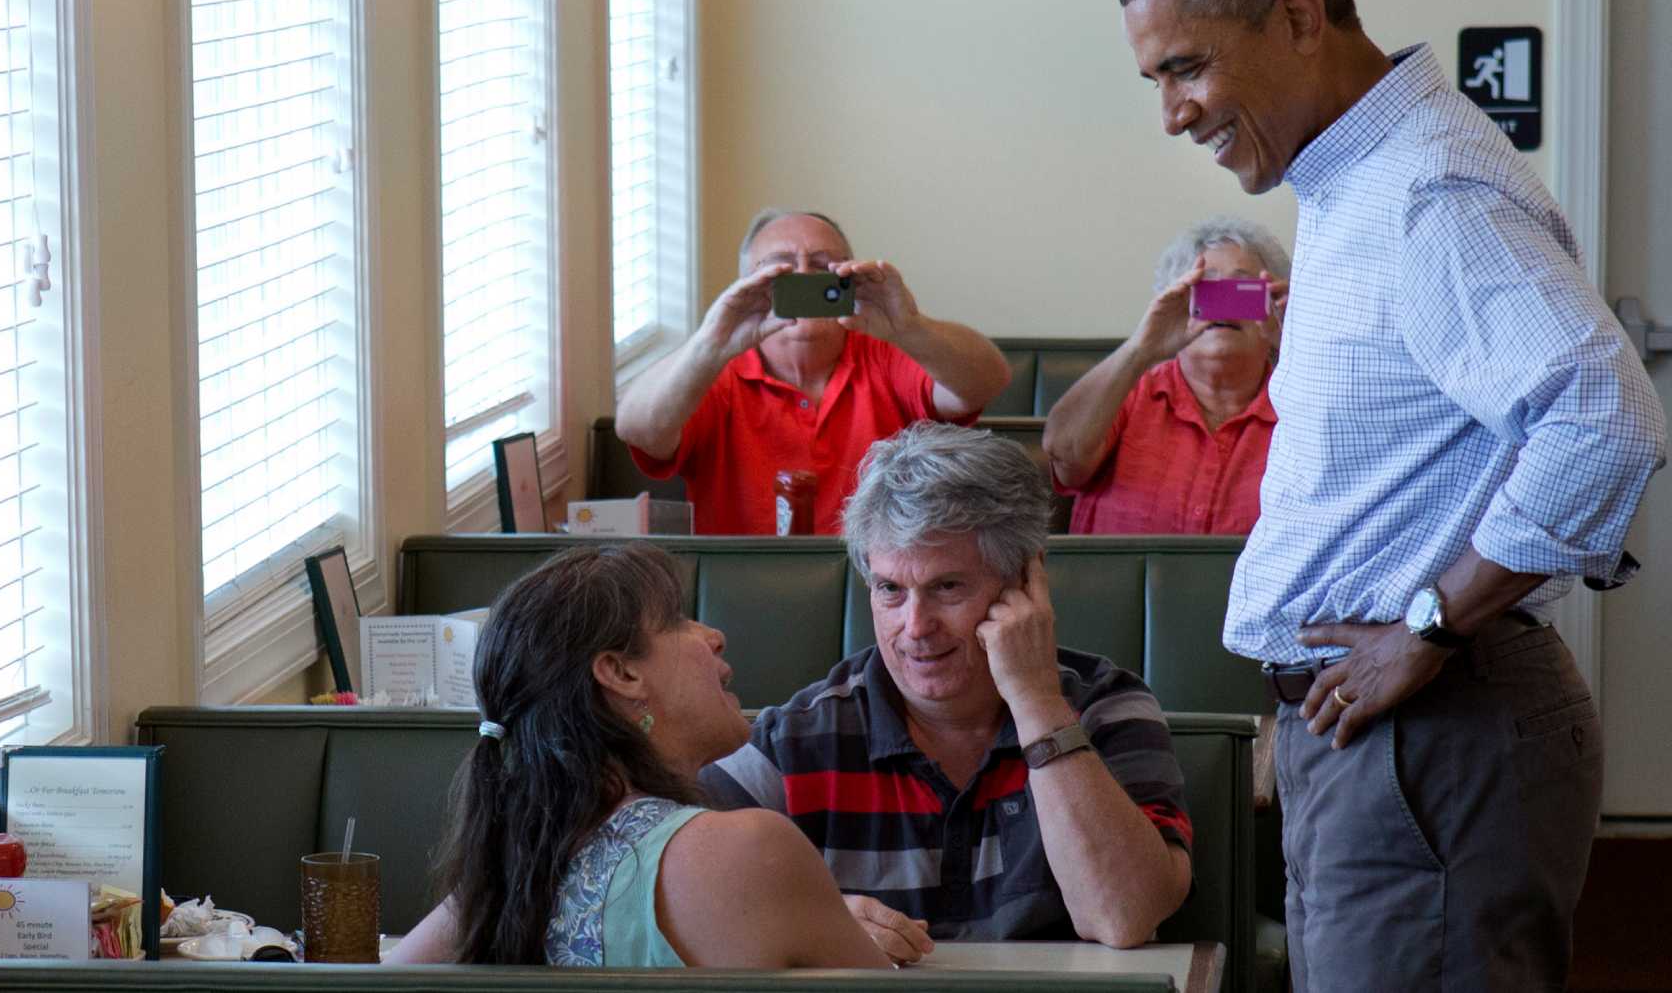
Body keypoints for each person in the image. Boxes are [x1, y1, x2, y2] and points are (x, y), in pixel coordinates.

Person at [1118, 0, 1666, 993]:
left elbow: (1602, 418)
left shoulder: (1425, 189)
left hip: (1435, 729)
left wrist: (1425, 623)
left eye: (1186, 66)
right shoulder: (1349, 178)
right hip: (1384, 734)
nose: (1172, 111)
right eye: (1157, 79)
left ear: (1295, 17)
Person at [702, 423, 1192, 959]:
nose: (915, 626)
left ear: (1027, 584)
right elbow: (659, 881)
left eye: (948, 587)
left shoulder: (1108, 709)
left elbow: (1122, 915)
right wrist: (814, 918)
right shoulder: (798, 737)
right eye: (890, 590)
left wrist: (1037, 704)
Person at [387, 543, 887, 969]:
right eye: (677, 620)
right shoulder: (755, 851)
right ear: (622, 674)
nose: (714, 636)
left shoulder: (507, 876)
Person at [616, 208, 1009, 535]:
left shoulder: (884, 352)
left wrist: (911, 326)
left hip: (883, 587)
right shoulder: (716, 370)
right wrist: (709, 343)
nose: (803, 277)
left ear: (848, 277)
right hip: (742, 586)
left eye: (822, 267)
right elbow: (637, 429)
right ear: (749, 283)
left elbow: (986, 382)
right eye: (780, 270)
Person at [1044, 217, 1289, 534]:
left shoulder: (1298, 405)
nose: (1224, 307)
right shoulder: (1127, 393)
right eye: (1205, 290)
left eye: (1242, 289)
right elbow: (1065, 457)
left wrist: (1297, 346)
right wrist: (1141, 348)